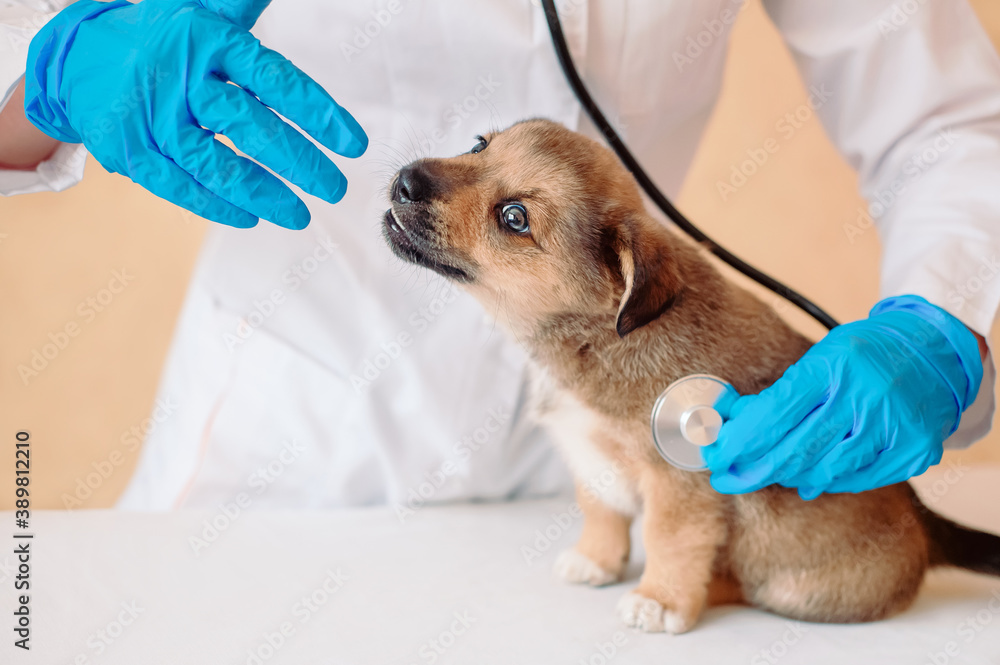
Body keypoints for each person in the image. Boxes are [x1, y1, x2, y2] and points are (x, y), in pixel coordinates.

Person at [1, 0, 996, 510]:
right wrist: (52, 61)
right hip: (282, 448)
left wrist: (935, 321)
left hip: (594, 475)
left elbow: (943, 121)